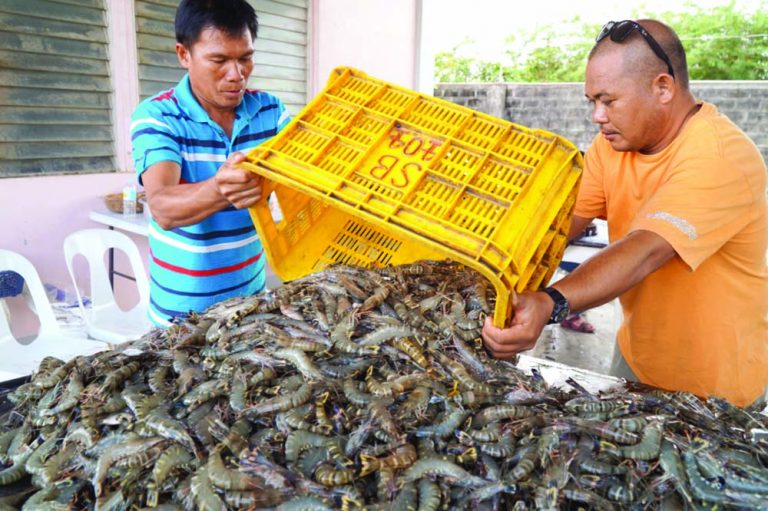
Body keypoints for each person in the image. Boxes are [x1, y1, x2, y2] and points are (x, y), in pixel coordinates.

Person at [482, 19, 767, 407]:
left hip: (720, 388)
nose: (597, 116)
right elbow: (556, 226)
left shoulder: (720, 155)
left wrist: (550, 303)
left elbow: (646, 250)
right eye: (592, 102)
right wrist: (485, 261)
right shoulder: (609, 148)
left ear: (662, 87)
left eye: (608, 100)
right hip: (636, 362)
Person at [130, 0, 290, 326]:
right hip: (180, 320)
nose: (236, 74)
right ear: (184, 55)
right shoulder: (158, 116)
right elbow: (163, 207)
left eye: (245, 58)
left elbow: (313, 167)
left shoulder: (270, 112)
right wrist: (221, 188)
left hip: (250, 305)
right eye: (218, 60)